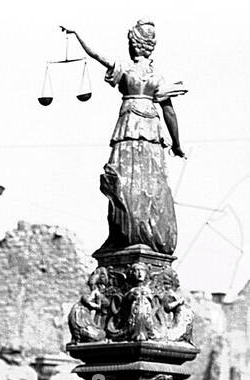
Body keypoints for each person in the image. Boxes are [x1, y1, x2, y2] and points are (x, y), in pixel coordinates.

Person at [60, 21, 185, 256]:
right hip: (151, 128)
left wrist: (77, 33)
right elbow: (169, 113)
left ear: (133, 44)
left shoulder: (127, 69)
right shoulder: (157, 77)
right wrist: (177, 145)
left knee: (123, 180)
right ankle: (141, 231)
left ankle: (132, 232)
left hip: (129, 126)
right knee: (147, 181)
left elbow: (96, 54)